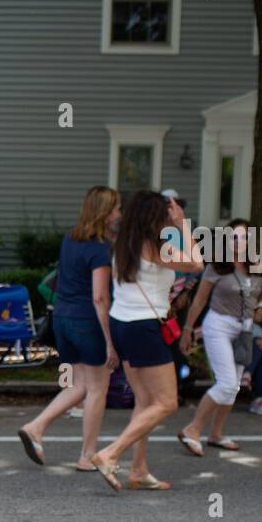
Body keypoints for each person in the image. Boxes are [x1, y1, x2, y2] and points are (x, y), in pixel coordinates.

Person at [90, 191, 205, 491]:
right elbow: (196, 263)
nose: (168, 217)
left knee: (144, 401)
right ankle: (110, 453)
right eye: (164, 214)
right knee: (167, 402)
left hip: (123, 325)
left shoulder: (122, 246)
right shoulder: (153, 246)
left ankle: (138, 471)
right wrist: (183, 225)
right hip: (143, 326)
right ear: (153, 217)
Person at [18, 185, 119, 470]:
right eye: (116, 208)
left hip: (62, 317)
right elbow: (100, 297)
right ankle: (87, 456)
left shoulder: (69, 238)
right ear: (105, 212)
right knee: (98, 388)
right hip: (88, 321)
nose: (118, 214)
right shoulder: (100, 250)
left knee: (79, 385)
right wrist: (110, 340)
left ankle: (36, 427)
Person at [177, 219, 262, 456]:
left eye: (245, 237)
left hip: (244, 329)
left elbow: (253, 303)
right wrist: (187, 330)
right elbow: (199, 300)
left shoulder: (256, 265)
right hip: (218, 325)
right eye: (234, 237)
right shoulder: (217, 266)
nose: (239, 241)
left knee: (234, 386)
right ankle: (192, 429)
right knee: (227, 383)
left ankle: (216, 433)